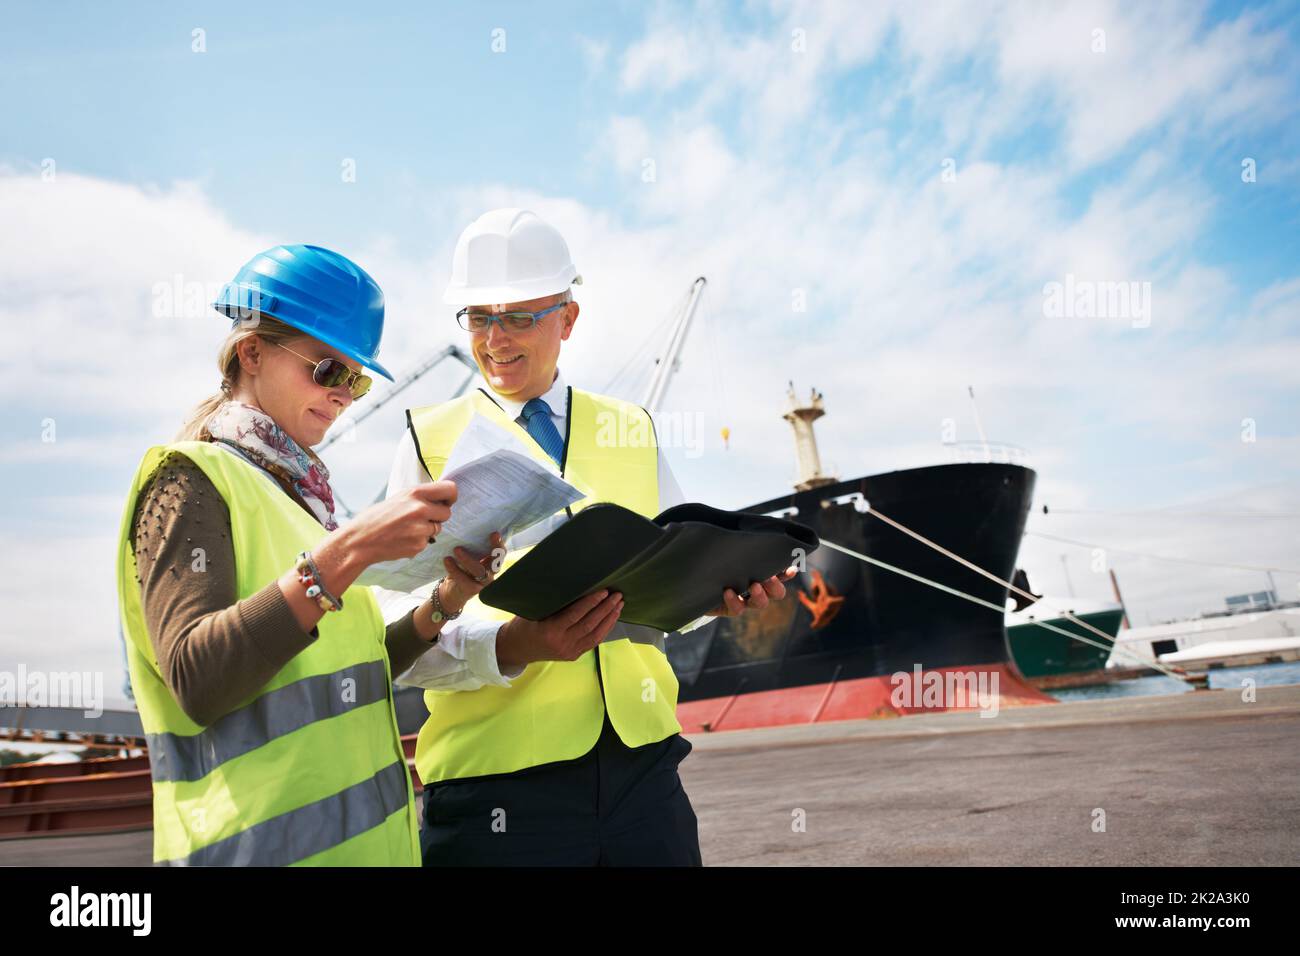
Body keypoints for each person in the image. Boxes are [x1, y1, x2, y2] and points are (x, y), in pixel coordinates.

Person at [376, 209, 792, 866]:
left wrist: (716, 593)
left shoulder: (632, 427)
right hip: (497, 789)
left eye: (518, 316)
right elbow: (397, 639)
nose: (495, 339)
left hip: (644, 777)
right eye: (479, 317)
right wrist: (517, 645)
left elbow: (672, 571)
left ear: (568, 318)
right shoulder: (427, 442)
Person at [115, 244, 502, 866]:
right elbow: (196, 677)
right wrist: (344, 555)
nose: (344, 394)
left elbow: (352, 673)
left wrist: (446, 600)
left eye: (357, 379)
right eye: (328, 371)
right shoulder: (187, 482)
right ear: (252, 352)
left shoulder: (301, 503)